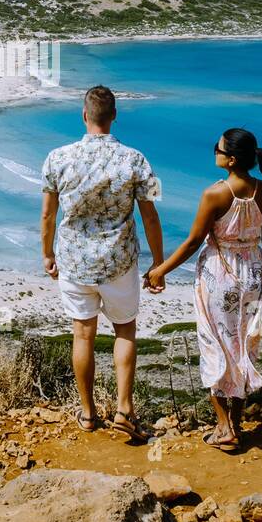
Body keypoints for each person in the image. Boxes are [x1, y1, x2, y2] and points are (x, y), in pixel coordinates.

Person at [144, 127, 262, 452]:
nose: (215, 152)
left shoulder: (215, 194)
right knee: (241, 348)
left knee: (215, 346)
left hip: (219, 277)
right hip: (253, 274)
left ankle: (224, 428)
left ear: (231, 159)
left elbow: (194, 241)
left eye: (218, 148)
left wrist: (160, 270)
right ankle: (235, 423)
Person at [41, 85, 163, 439]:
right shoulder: (136, 159)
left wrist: (47, 254)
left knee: (83, 334)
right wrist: (158, 263)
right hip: (119, 262)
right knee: (125, 330)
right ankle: (125, 410)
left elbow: (48, 215)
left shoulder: (57, 158)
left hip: (75, 261)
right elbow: (151, 217)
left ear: (84, 115)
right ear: (114, 117)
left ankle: (88, 413)